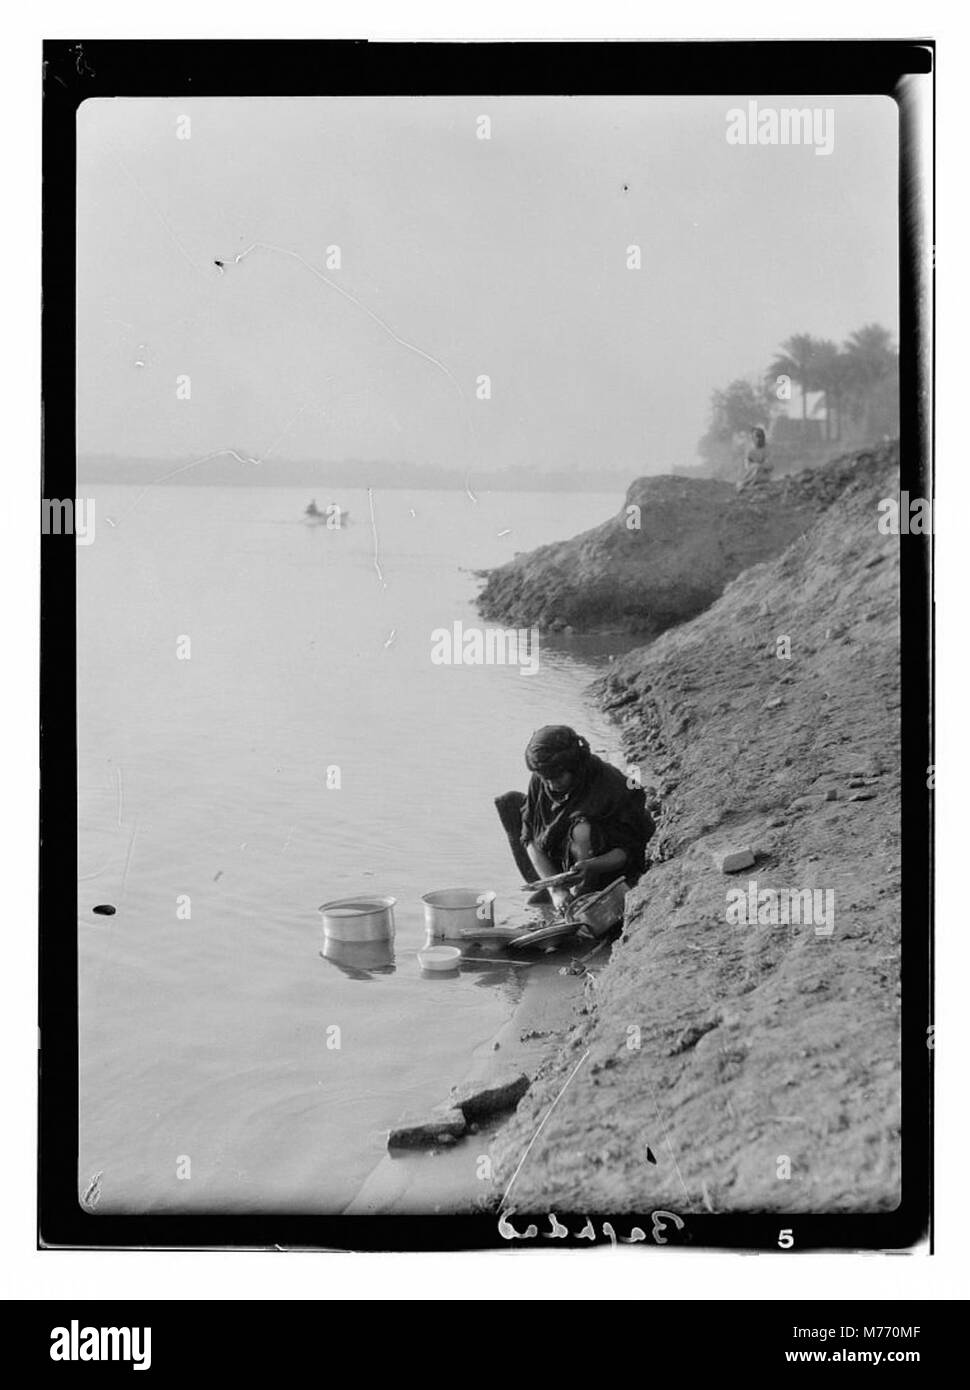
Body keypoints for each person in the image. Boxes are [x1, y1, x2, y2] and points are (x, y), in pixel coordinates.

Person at [519, 725, 653, 908]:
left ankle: (584, 893)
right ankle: (563, 891)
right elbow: (529, 840)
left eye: (557, 778)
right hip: (563, 866)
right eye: (546, 779)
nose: (551, 786)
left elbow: (629, 851)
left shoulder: (611, 785)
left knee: (582, 830)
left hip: (605, 864)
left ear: (574, 767)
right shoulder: (542, 777)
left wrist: (591, 865)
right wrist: (555, 889)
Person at [736, 426, 772, 492]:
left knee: (758, 469)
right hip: (751, 474)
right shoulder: (749, 450)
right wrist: (755, 466)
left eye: (761, 436)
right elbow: (746, 466)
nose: (759, 439)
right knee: (754, 469)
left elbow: (770, 466)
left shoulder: (767, 448)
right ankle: (745, 485)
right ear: (753, 438)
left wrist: (760, 466)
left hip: (763, 474)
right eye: (757, 436)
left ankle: (751, 486)